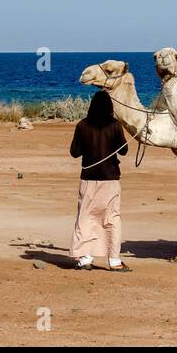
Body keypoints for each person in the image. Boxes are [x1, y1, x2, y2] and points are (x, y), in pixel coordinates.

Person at [69, 90, 131, 271]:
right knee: (112, 218)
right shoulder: (114, 125)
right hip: (110, 180)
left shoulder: (82, 125)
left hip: (88, 180)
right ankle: (114, 260)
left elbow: (74, 152)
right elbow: (124, 151)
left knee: (85, 218)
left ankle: (86, 258)